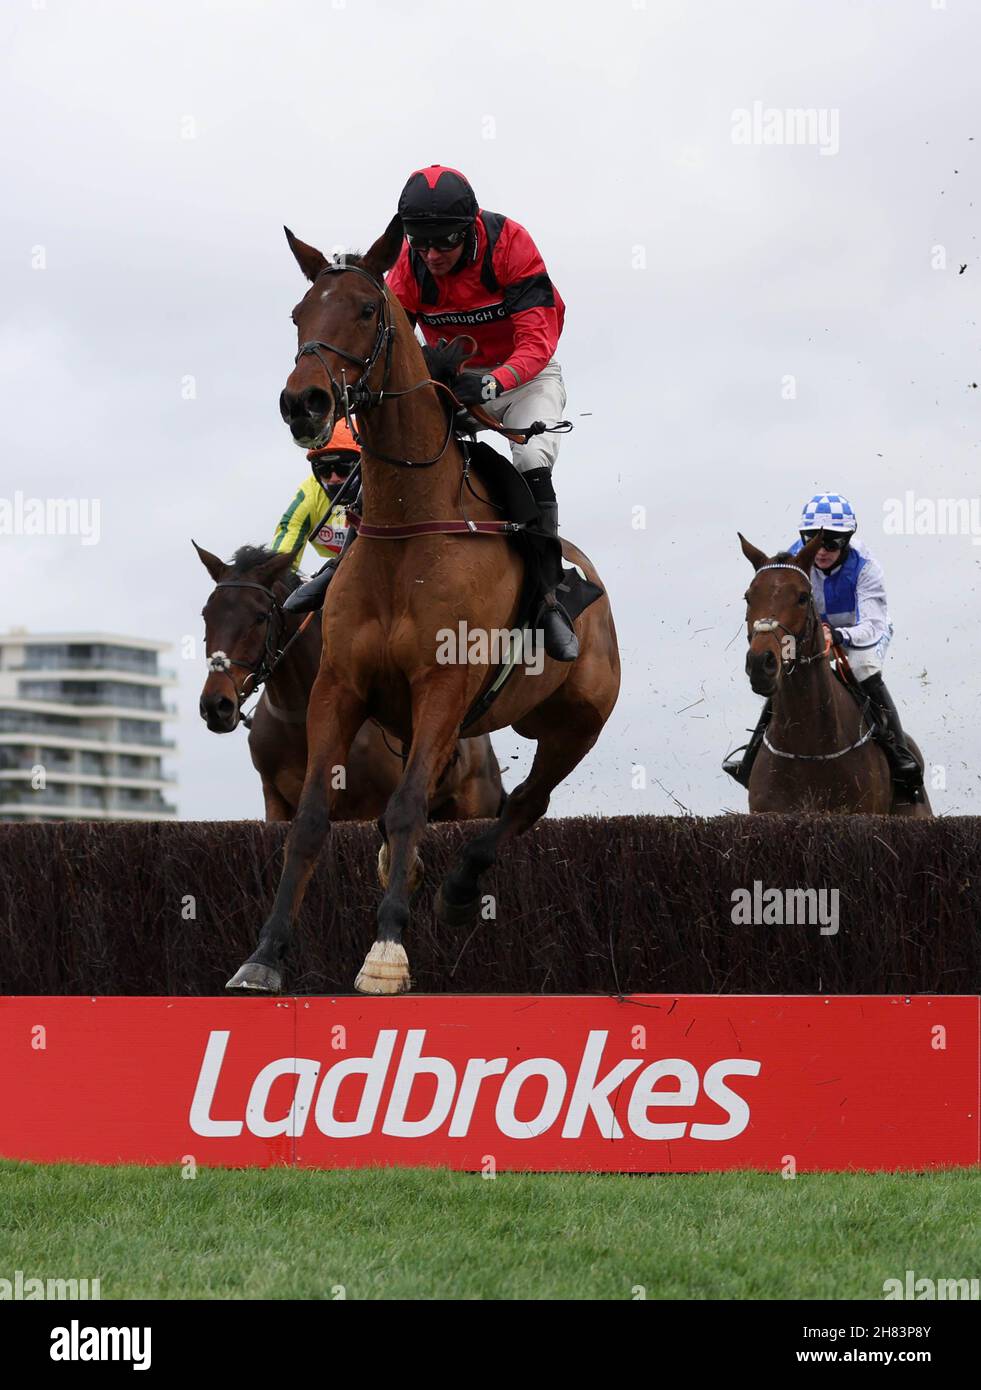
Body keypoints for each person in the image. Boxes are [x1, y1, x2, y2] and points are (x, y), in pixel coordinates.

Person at [385, 164, 578, 661]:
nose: (431, 255)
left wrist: (494, 380)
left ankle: (547, 597)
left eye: (443, 243)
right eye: (420, 244)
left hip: (525, 379)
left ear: (469, 228)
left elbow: (538, 340)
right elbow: (391, 344)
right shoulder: (411, 264)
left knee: (531, 461)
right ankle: (340, 570)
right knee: (391, 447)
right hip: (456, 379)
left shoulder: (511, 244)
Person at [723, 492, 924, 795]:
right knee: (786, 670)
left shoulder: (866, 567)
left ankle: (899, 755)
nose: (823, 550)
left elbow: (873, 625)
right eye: (814, 539)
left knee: (863, 667)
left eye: (833, 542)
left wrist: (840, 636)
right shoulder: (793, 563)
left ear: (848, 539)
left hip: (860, 632)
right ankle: (751, 757)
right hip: (811, 631)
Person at [274, 419, 360, 611]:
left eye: (343, 469)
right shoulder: (309, 495)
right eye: (324, 471)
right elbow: (279, 561)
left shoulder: (382, 489)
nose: (334, 478)